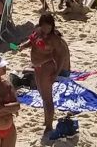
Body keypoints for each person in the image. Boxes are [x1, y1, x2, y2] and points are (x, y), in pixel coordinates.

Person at [28, 11, 71, 140]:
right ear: (40, 25)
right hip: (37, 67)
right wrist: (21, 46)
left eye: (49, 26)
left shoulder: (54, 39)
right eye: (45, 26)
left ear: (52, 26)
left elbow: (63, 55)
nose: (47, 29)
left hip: (47, 68)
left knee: (47, 99)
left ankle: (49, 125)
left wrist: (56, 74)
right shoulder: (37, 33)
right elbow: (31, 42)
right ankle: (47, 120)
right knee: (42, 95)